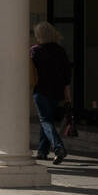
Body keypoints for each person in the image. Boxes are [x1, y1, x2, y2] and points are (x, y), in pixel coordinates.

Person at [30, 22, 71, 166]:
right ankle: (42, 152)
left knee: (45, 120)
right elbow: (67, 75)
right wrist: (67, 94)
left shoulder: (35, 51)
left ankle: (58, 147)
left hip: (41, 90)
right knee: (47, 119)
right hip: (56, 91)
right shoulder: (60, 50)